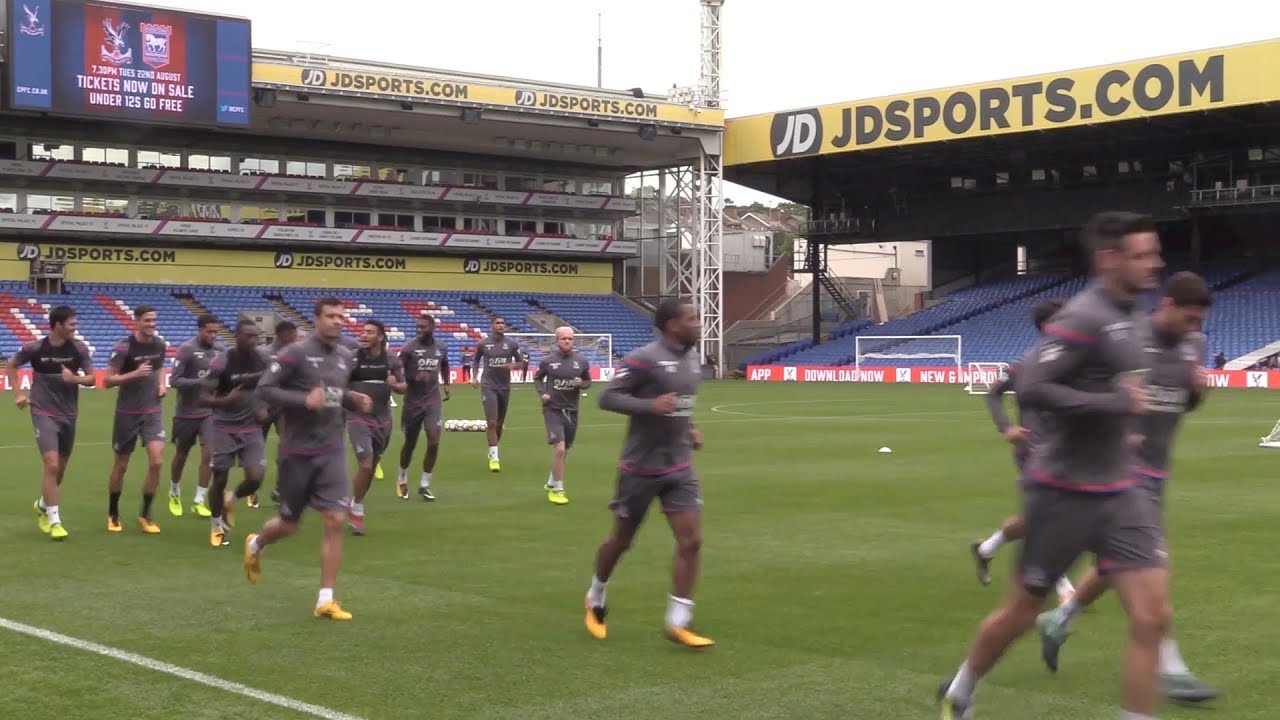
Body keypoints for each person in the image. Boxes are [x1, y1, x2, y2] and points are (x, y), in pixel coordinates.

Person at [937, 211, 1168, 720]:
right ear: (1109, 259)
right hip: (1063, 491)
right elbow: (1034, 386)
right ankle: (961, 691)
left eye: (1155, 252)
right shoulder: (1084, 316)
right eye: (1142, 255)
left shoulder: (1131, 312)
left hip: (1120, 490)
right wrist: (1115, 406)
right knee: (1022, 613)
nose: (1155, 263)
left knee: (1152, 616)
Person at [1036, 271, 1220, 703]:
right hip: (1117, 470)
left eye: (1200, 322)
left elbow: (1179, 402)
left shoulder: (1194, 344)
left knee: (1116, 563)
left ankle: (1060, 618)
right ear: (1167, 305)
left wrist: (1198, 392)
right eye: (1189, 318)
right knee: (1154, 564)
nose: (1195, 329)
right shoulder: (1130, 339)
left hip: (1156, 472)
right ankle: (1171, 667)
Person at [583, 297, 711, 648]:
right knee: (621, 540)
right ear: (672, 324)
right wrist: (650, 406)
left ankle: (678, 621)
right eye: (692, 318)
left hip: (680, 467)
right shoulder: (645, 358)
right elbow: (608, 397)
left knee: (692, 541)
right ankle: (596, 594)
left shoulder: (693, 358)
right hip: (640, 469)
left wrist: (689, 428)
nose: (699, 323)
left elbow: (680, 405)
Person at [243, 297, 372, 620]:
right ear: (317, 319)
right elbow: (264, 390)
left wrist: (353, 400)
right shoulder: (295, 353)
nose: (338, 321)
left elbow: (334, 394)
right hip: (297, 453)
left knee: (334, 520)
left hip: (331, 450)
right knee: (289, 525)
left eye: (341, 316)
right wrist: (302, 400)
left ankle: (325, 600)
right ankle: (257, 543)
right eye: (331, 316)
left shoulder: (345, 355)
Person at [970, 299, 1077, 605]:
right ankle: (1064, 588)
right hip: (1034, 451)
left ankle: (986, 549)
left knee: (1037, 518)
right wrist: (1007, 428)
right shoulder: (1025, 363)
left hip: (1066, 450)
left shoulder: (1075, 363)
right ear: (1048, 326)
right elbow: (993, 395)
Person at [7, 306, 95, 540]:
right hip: (42, 411)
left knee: (60, 468)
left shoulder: (79, 348)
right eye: (71, 324)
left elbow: (92, 378)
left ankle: (44, 505)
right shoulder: (36, 348)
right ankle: (55, 520)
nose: (75, 328)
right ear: (57, 325)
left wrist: (74, 378)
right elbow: (11, 365)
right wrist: (18, 394)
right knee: (52, 464)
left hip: (69, 414)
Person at [200, 320, 270, 548]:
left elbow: (272, 388)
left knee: (255, 478)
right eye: (249, 336)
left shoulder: (262, 360)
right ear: (237, 336)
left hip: (251, 428)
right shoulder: (223, 362)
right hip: (224, 427)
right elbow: (202, 396)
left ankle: (232, 499)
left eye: (256, 337)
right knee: (219, 478)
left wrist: (265, 409)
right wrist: (225, 401)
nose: (254, 340)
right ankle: (216, 526)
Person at [104, 305, 169, 534]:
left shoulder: (159, 344)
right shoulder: (124, 347)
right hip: (127, 413)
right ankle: (113, 513)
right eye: (147, 320)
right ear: (137, 321)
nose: (152, 324)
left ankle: (145, 514)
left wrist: (161, 384)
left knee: (157, 462)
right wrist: (133, 374)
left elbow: (159, 368)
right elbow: (107, 380)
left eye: (154, 320)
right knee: (121, 465)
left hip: (152, 411)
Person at [346, 320, 405, 533]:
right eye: (363, 332)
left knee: (371, 465)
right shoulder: (352, 358)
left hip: (383, 419)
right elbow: (338, 385)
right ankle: (358, 510)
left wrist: (395, 385)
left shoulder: (391, 360)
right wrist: (353, 395)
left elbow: (404, 386)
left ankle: (355, 501)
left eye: (369, 332)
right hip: (357, 417)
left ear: (380, 337)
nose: (364, 335)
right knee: (366, 464)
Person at [168, 314, 221, 519]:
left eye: (216, 331)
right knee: (181, 456)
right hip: (186, 413)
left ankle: (199, 500)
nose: (213, 335)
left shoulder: (220, 350)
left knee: (209, 456)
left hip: (208, 412)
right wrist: (199, 383)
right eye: (209, 331)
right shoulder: (186, 350)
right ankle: (174, 492)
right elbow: (174, 380)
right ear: (200, 329)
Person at [533, 326, 592, 505]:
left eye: (570, 339)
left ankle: (551, 481)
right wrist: (542, 393)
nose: (567, 341)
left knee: (565, 450)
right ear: (557, 341)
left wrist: (582, 383)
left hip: (572, 410)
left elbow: (588, 382)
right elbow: (537, 378)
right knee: (559, 448)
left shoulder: (581, 361)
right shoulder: (548, 361)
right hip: (553, 409)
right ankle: (558, 489)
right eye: (564, 338)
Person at [396, 312, 450, 501]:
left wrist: (447, 384)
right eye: (417, 327)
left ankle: (425, 484)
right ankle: (402, 478)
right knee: (409, 444)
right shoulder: (408, 349)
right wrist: (410, 379)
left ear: (432, 328)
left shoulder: (441, 347)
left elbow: (444, 365)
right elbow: (396, 370)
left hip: (432, 401)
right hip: (412, 403)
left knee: (434, 442)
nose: (419, 330)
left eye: (423, 327)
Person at [251, 320, 298, 509]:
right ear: (284, 334)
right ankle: (251, 488)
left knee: (287, 448)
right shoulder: (263, 353)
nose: (295, 338)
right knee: (256, 450)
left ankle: (281, 490)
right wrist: (258, 407)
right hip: (263, 407)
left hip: (285, 408)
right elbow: (254, 382)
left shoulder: (296, 353)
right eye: (293, 334)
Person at [470, 317, 527, 472]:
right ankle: (495, 458)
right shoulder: (483, 344)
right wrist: (474, 376)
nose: (501, 325)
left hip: (504, 387)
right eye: (498, 323)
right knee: (492, 422)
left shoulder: (512, 344)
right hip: (488, 386)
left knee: (500, 423)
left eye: (503, 324)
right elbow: (475, 361)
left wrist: (513, 365)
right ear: (492, 326)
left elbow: (522, 363)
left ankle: (492, 450)